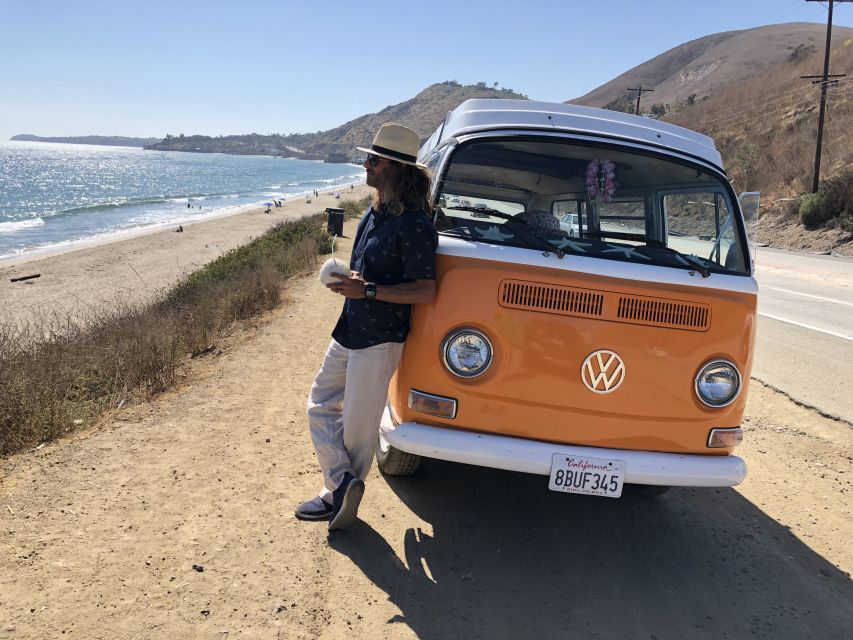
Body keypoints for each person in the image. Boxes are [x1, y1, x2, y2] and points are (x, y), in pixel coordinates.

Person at [296, 123, 438, 530]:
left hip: (380, 340)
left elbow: (424, 290)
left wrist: (369, 291)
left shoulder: (413, 223)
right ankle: (342, 485)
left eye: (374, 159)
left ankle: (335, 498)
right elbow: (365, 274)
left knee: (358, 430)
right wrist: (347, 282)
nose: (366, 164)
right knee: (319, 404)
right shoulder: (375, 211)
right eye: (368, 157)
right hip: (350, 328)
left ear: (394, 167)